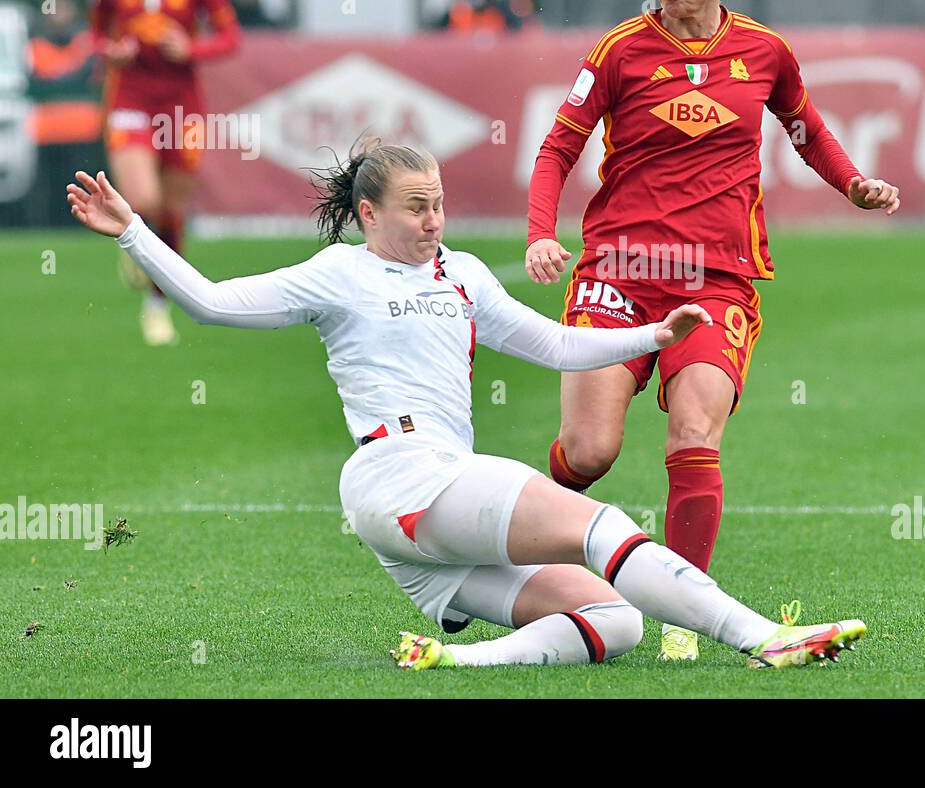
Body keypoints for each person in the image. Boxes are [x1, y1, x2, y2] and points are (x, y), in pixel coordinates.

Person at [65, 138, 866, 670]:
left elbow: (554, 344)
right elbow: (209, 301)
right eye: (415, 208)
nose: (433, 220)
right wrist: (132, 230)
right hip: (399, 475)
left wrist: (657, 333)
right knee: (603, 527)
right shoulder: (336, 274)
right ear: (370, 214)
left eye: (438, 203)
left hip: (428, 509)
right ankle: (764, 639)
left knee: (615, 622)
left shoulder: (463, 272)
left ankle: (453, 659)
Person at [524, 0, 900, 660]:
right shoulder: (621, 51)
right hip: (618, 274)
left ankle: (681, 625)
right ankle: (520, 527)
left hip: (717, 282)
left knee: (694, 431)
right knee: (589, 453)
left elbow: (808, 130)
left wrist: (854, 185)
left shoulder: (766, 52)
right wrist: (540, 233)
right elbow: (558, 146)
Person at [88, 0, 242, 346]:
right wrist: (111, 52)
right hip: (131, 99)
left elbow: (230, 36)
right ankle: (134, 238)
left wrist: (191, 49)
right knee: (142, 197)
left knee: (173, 210)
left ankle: (157, 305)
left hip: (182, 105)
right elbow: (95, 34)